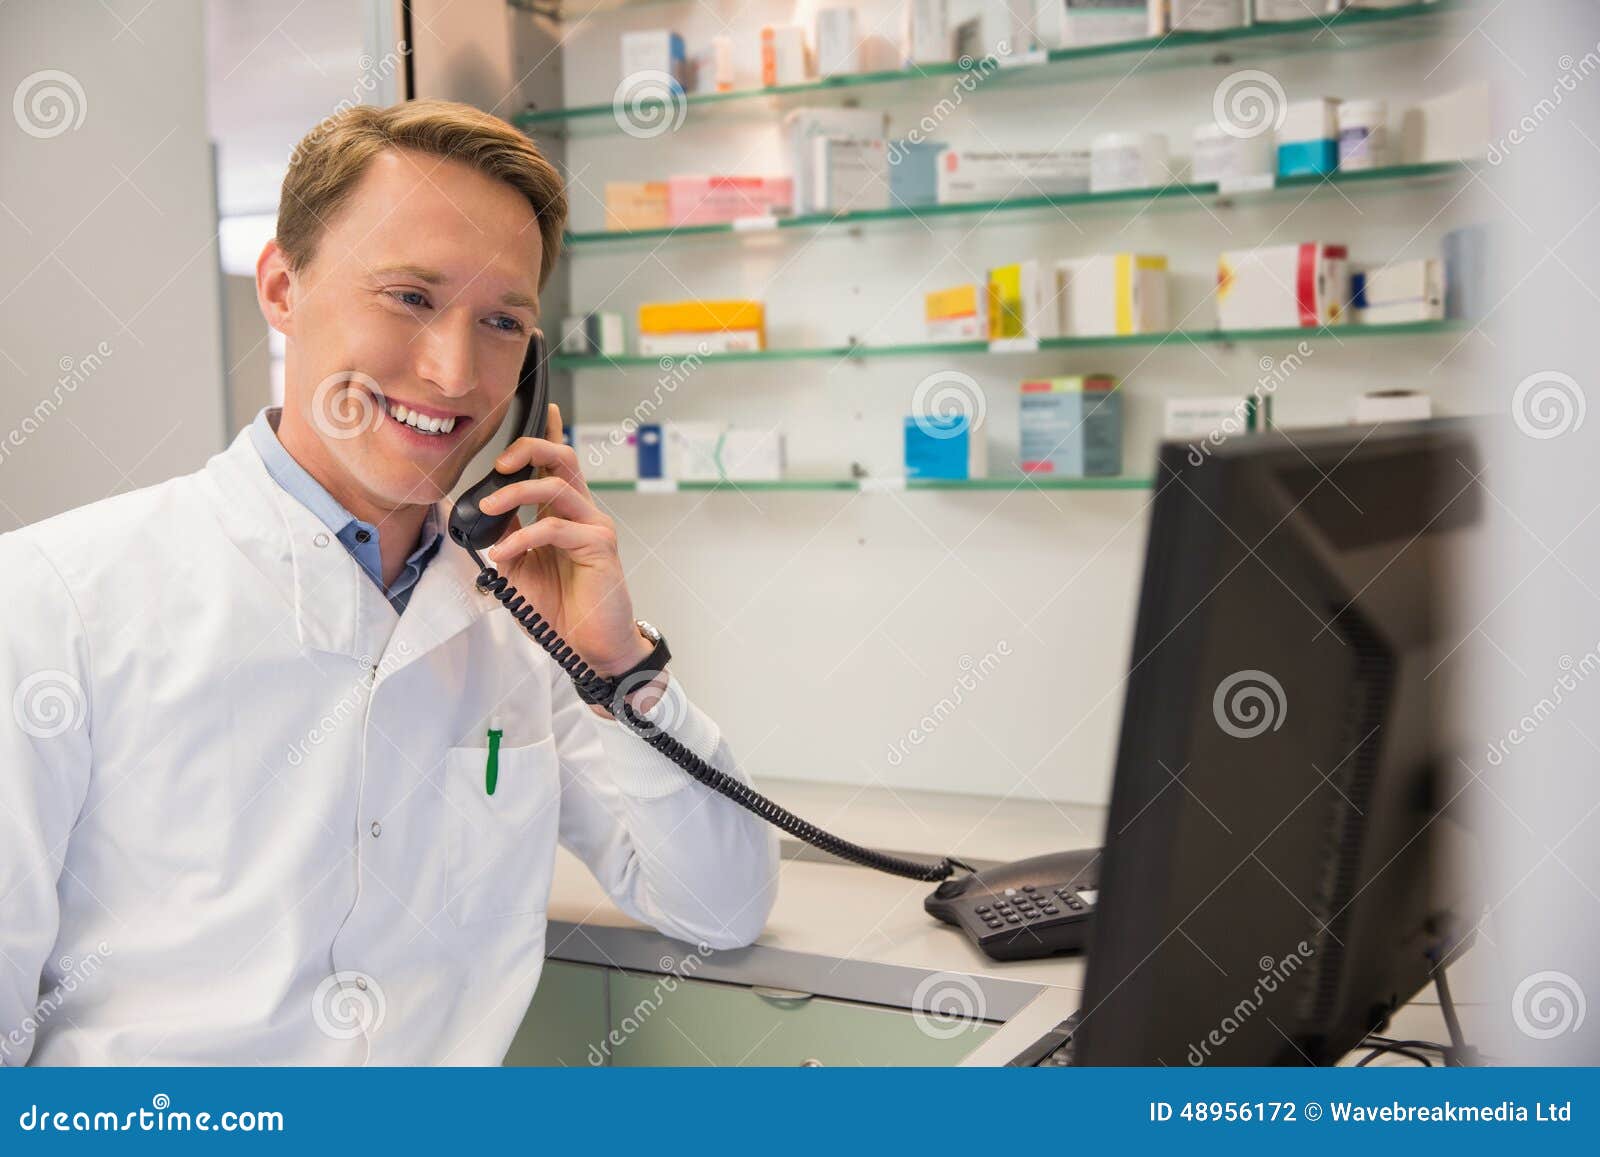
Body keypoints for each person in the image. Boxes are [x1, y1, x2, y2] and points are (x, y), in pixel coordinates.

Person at [0, 99, 779, 1065]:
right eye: (409, 296)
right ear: (284, 288)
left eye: (502, 321)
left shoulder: (524, 624)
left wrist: (622, 670)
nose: (454, 372)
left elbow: (720, 906)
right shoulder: (51, 598)